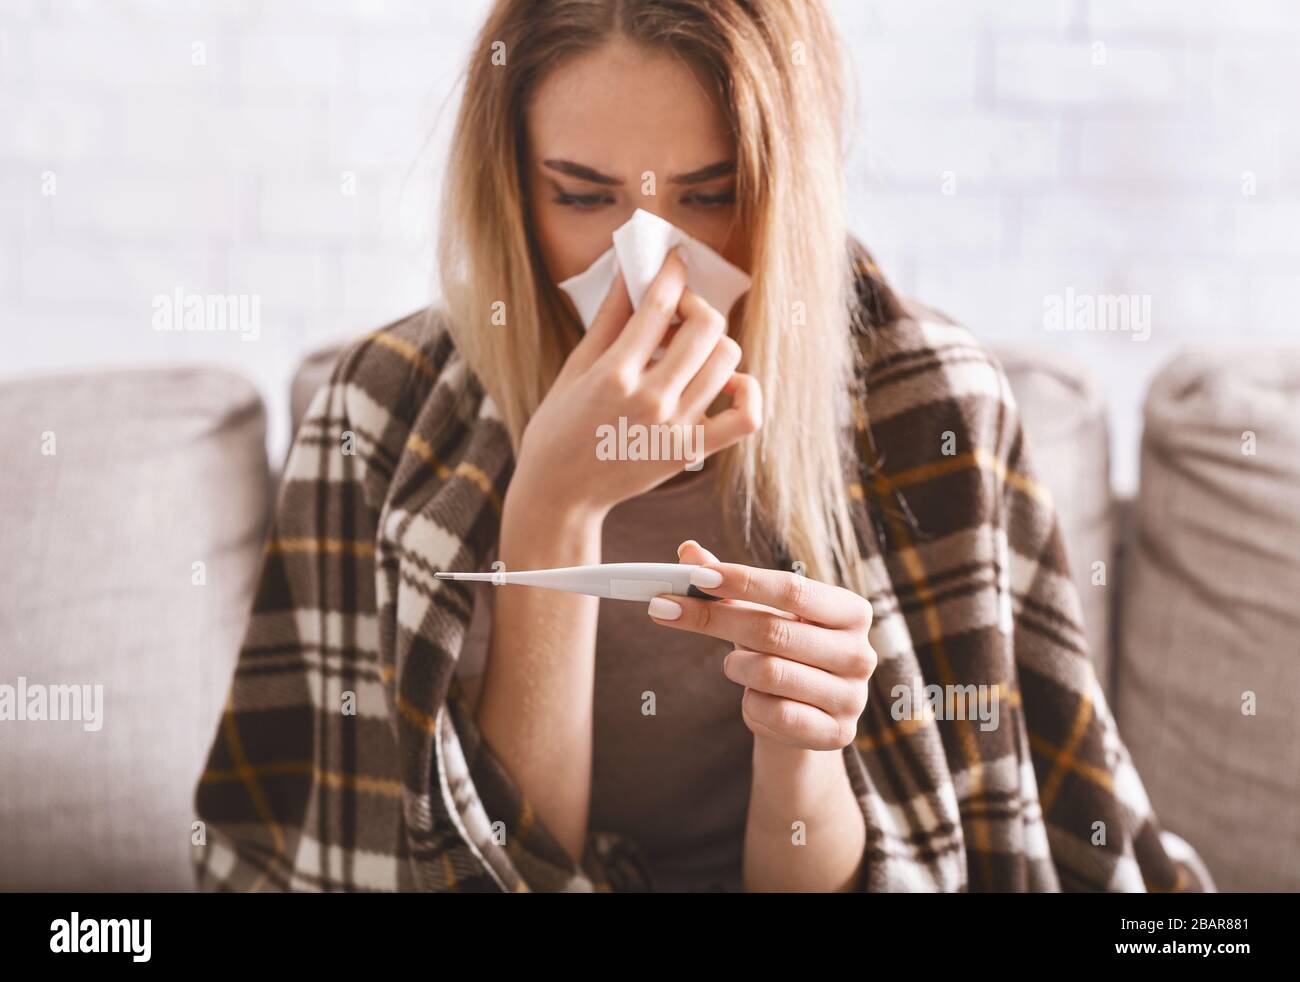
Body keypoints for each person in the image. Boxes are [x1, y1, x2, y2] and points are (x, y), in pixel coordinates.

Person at [194, 0, 1210, 893]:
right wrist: (553, 512)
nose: (648, 268)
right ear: (509, 187)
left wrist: (803, 753)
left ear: (786, 192)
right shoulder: (379, 413)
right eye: (583, 197)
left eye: (711, 195)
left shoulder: (930, 408)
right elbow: (477, 869)